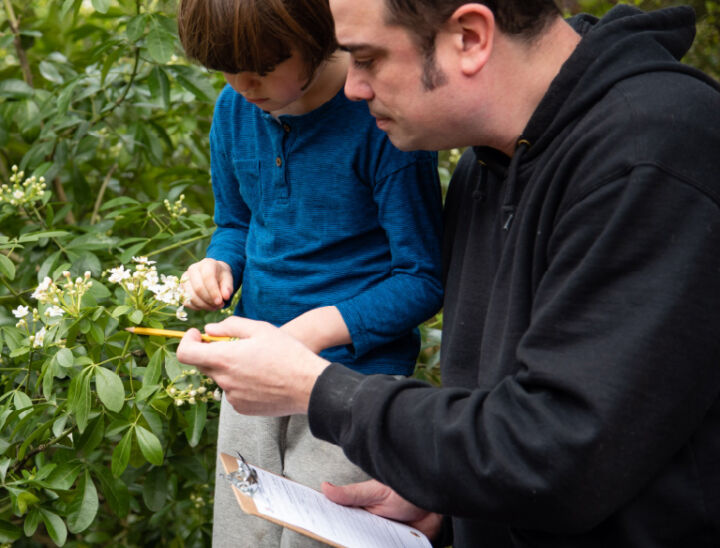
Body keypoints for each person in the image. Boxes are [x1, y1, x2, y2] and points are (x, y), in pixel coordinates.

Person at [177, 0, 720, 546]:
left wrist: (315, 387)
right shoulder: (487, 164)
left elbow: (564, 453)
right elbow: (505, 422)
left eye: (364, 58)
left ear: (469, 36)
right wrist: (442, 494)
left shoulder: (650, 157)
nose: (352, 89)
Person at [175, 0, 444, 546]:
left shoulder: (379, 123)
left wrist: (308, 335)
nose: (244, 83)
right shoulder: (233, 111)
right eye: (227, 68)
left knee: (323, 534)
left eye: (263, 67)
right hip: (249, 377)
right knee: (241, 533)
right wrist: (218, 262)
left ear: (318, 37)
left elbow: (423, 278)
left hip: (353, 385)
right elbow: (236, 221)